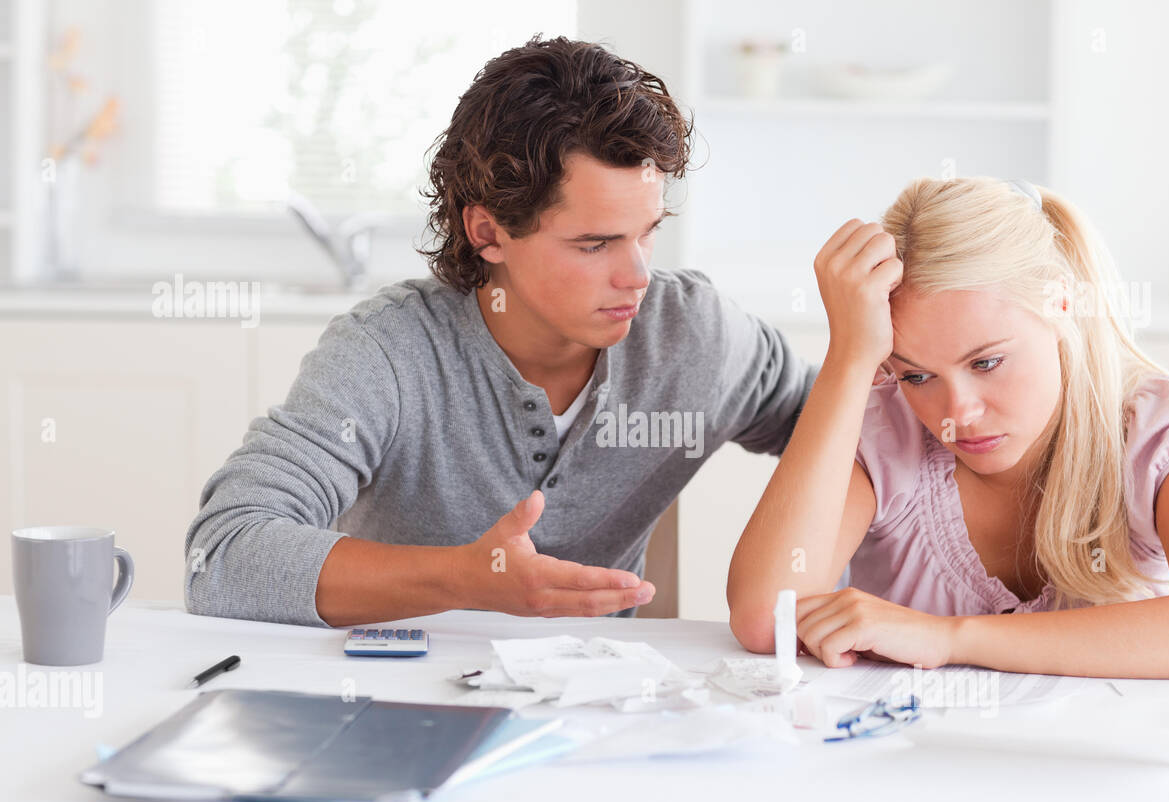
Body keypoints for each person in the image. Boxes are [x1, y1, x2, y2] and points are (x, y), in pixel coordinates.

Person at [184, 36, 816, 628]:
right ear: (488, 233)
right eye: (595, 244)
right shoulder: (390, 354)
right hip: (406, 707)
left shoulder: (691, 333)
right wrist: (463, 580)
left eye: (647, 231)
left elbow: (853, 427)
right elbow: (221, 554)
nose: (638, 276)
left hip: (598, 714)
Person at [728, 175, 1169, 680]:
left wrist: (948, 639)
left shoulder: (1164, 432)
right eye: (917, 375)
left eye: (986, 363)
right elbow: (764, 619)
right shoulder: (886, 432)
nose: (959, 413)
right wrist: (850, 357)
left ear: (1063, 306)